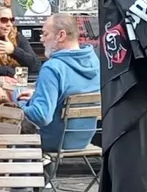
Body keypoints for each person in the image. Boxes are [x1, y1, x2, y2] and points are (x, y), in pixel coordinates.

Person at [18, 14, 99, 153]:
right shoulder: (94, 62)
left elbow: (41, 116)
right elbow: (73, 90)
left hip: (54, 140)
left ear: (60, 36)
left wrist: (19, 104)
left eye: (45, 34)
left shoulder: (52, 68)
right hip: (83, 139)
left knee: (6, 129)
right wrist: (37, 94)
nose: (41, 39)